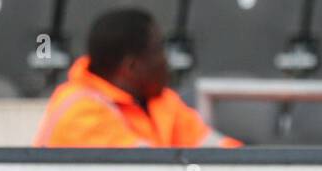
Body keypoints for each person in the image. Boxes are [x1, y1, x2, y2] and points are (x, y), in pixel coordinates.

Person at [34, 8, 241, 148]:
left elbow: (219, 154)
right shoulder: (80, 110)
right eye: (159, 51)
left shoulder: (160, 100)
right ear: (131, 67)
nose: (166, 61)